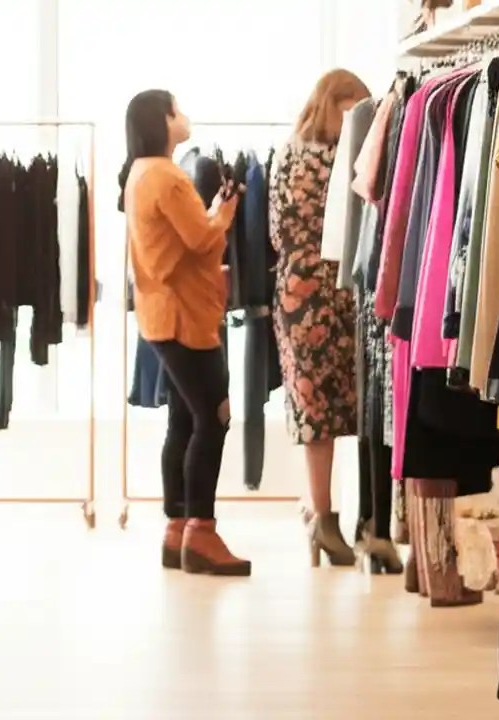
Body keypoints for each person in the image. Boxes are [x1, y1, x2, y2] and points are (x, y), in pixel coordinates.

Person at [120, 89, 248, 576]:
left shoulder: (139, 172)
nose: (184, 114)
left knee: (183, 419)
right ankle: (201, 531)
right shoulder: (168, 175)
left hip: (159, 315)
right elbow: (200, 238)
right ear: (162, 120)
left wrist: (213, 209)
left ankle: (177, 529)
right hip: (187, 318)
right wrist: (227, 212)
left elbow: (184, 232)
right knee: (212, 418)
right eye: (177, 108)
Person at [269, 69, 372, 567]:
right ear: (331, 105)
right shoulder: (336, 159)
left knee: (320, 413)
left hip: (300, 292)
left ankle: (322, 517)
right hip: (328, 292)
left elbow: (275, 230)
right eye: (350, 110)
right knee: (336, 412)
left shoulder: (285, 153)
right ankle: (329, 521)